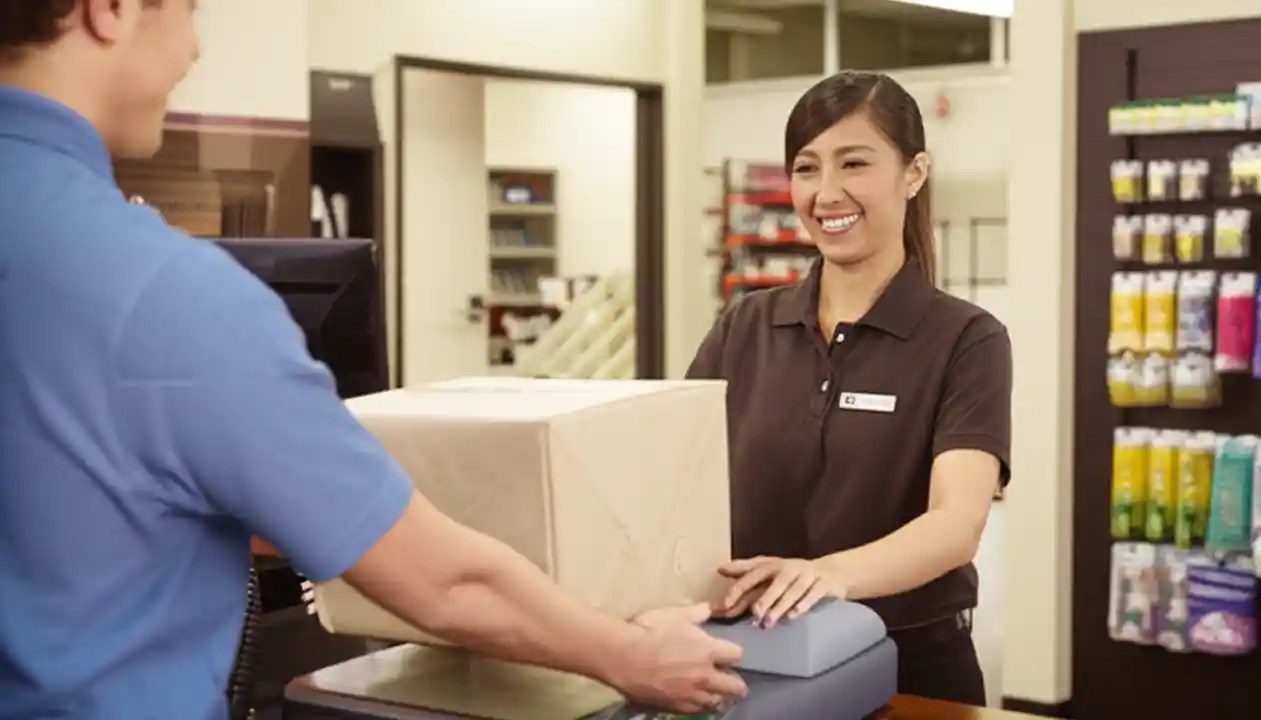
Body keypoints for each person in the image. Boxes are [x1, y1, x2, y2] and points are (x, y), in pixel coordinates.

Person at [0, 2, 746, 718]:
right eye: (191, 7)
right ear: (111, 7)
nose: (195, 47)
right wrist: (631, 655)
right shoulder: (168, 296)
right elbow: (443, 582)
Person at [687, 71, 1011, 706]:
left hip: (907, 668)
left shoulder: (967, 339)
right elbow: (672, 475)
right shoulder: (747, 324)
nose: (826, 193)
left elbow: (956, 523)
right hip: (751, 660)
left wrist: (828, 575)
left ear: (914, 173)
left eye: (854, 163)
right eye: (807, 169)